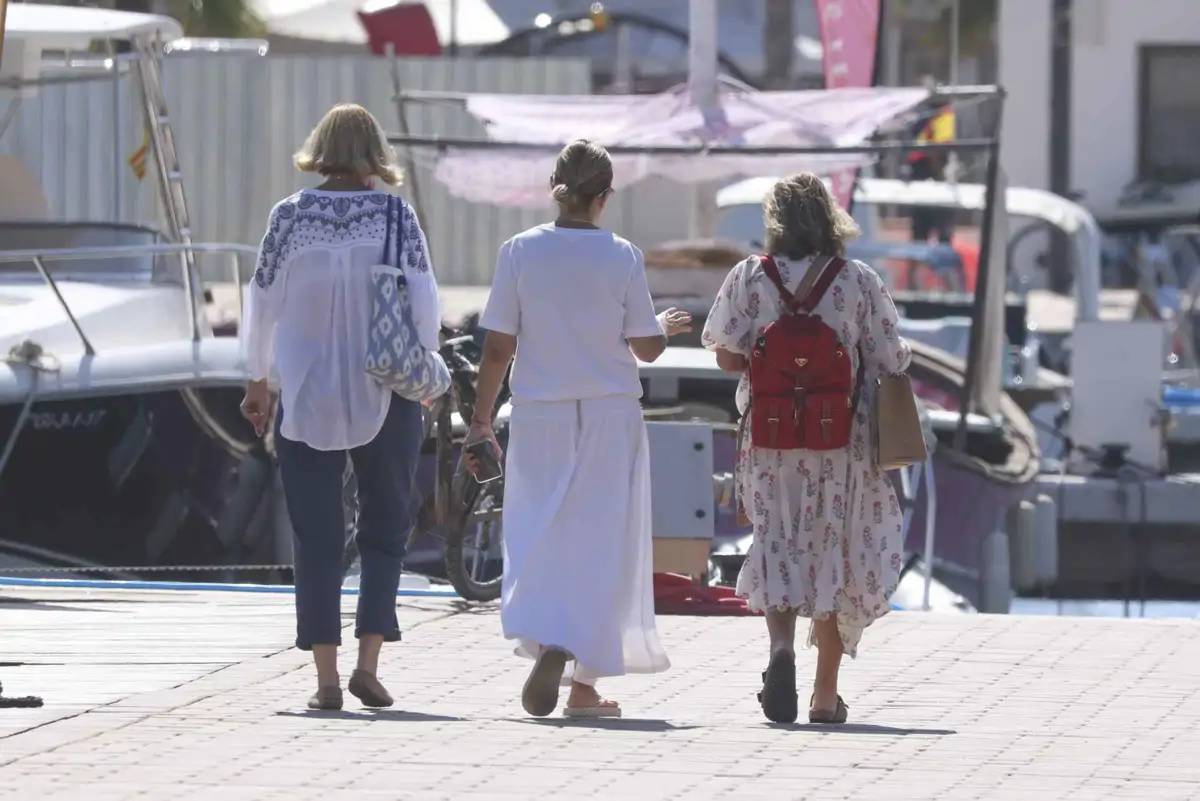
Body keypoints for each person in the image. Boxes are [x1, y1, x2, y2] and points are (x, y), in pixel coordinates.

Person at [464, 139, 688, 718]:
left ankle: (548, 641)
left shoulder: (519, 251)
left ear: (554, 188)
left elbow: (498, 347)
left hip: (541, 414)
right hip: (610, 415)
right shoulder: (623, 255)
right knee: (603, 542)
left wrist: (480, 420)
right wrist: (662, 326)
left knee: (541, 534)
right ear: (605, 197)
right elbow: (646, 348)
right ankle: (584, 684)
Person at [240, 103, 439, 711]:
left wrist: (257, 381)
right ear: (374, 152)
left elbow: (261, 302)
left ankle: (326, 681)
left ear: (321, 149)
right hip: (386, 389)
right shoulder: (396, 216)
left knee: (317, 536)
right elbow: (425, 306)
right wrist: (424, 365)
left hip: (306, 395)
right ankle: (368, 665)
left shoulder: (289, 217)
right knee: (385, 529)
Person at [701, 173, 910, 725]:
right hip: (839, 440)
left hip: (770, 440)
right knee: (833, 551)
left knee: (778, 542)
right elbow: (891, 359)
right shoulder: (857, 280)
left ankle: (781, 648)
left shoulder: (750, 275)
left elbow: (725, 354)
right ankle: (823, 695)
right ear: (829, 218)